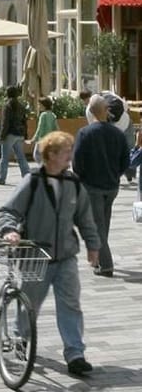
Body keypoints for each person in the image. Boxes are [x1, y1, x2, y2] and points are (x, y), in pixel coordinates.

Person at [0, 131, 101, 376]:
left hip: (65, 256)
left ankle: (75, 354)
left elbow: (85, 218)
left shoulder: (73, 183)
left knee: (71, 305)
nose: (70, 156)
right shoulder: (32, 181)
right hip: (35, 257)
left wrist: (93, 245)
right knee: (30, 304)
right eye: (66, 151)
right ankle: (20, 338)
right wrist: (10, 231)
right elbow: (9, 211)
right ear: (51, 155)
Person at [72, 94, 129, 277]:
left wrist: (82, 179)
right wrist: (115, 175)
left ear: (91, 111)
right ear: (106, 112)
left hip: (92, 186)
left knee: (97, 226)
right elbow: (125, 162)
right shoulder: (117, 134)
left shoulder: (84, 133)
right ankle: (98, 259)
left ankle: (105, 265)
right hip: (112, 186)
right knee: (103, 223)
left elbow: (77, 162)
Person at [0, 85, 30, 185]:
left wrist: (1, 136)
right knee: (21, 156)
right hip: (19, 133)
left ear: (7, 94)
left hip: (9, 134)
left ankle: (1, 178)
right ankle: (27, 175)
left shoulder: (7, 106)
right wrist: (25, 134)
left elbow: (5, 123)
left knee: (4, 158)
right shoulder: (21, 106)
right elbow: (24, 121)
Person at [30, 97, 58, 163]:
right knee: (46, 155)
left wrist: (35, 138)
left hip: (42, 139)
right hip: (50, 139)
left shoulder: (43, 115)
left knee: (36, 155)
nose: (38, 106)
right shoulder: (53, 115)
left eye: (39, 105)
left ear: (44, 106)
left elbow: (40, 128)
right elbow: (56, 128)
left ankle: (43, 167)